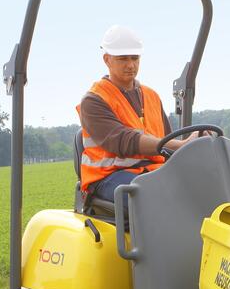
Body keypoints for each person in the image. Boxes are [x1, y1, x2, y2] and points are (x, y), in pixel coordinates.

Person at [76, 25, 198, 201]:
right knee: (157, 197)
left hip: (152, 170)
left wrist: (195, 145)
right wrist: (181, 145)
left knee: (200, 184)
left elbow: (167, 140)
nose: (130, 65)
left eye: (134, 58)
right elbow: (123, 141)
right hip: (110, 176)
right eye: (123, 59)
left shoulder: (151, 96)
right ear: (107, 59)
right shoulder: (94, 100)